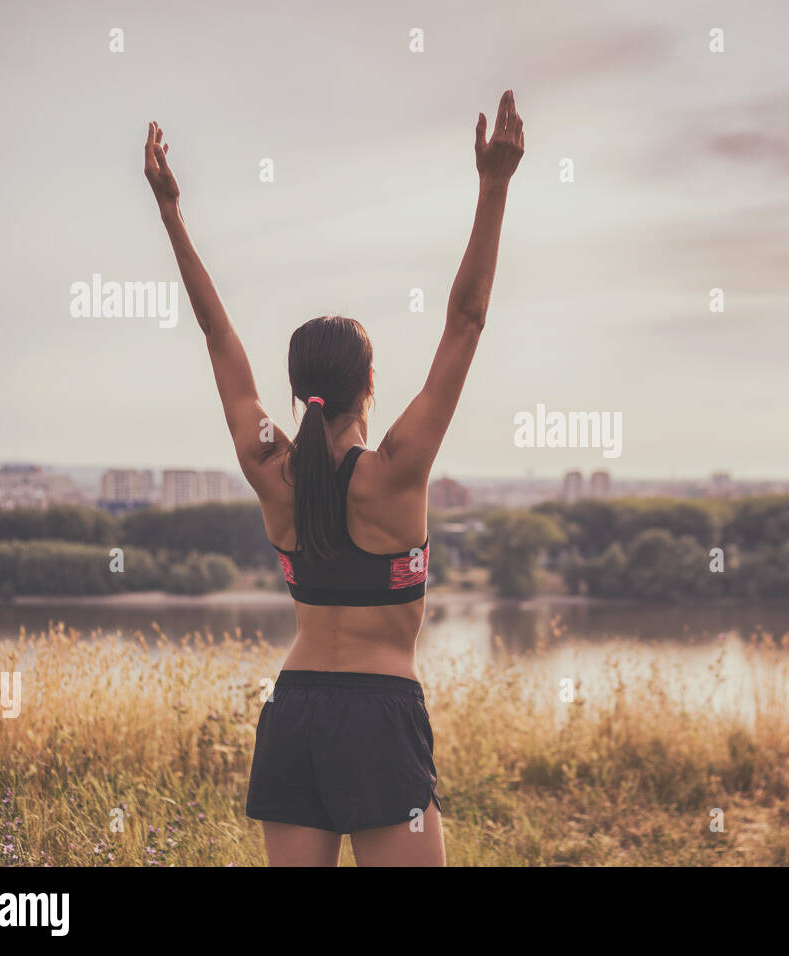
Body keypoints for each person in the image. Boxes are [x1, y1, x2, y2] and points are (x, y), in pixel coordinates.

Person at [142, 91, 524, 866]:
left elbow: (218, 338)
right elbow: (466, 321)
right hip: (380, 717)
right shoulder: (397, 470)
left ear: (295, 389)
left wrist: (171, 214)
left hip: (297, 714)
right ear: (370, 384)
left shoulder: (267, 465)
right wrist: (495, 188)